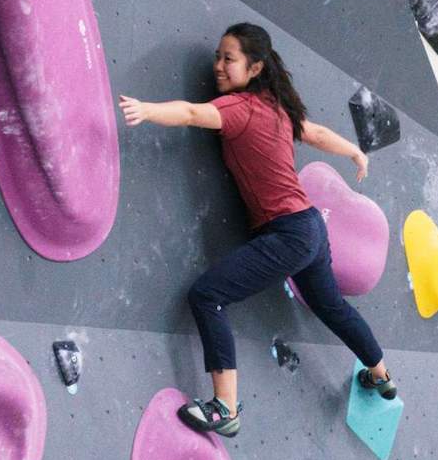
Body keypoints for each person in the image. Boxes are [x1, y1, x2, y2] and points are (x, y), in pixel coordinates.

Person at [119, 22, 395, 438]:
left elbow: (194, 113)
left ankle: (224, 407)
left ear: (255, 68)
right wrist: (353, 150)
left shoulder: (241, 108)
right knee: (332, 307)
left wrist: (147, 109)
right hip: (310, 228)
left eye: (229, 59)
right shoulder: (275, 107)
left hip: (289, 233)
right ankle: (381, 374)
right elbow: (315, 133)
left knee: (208, 295)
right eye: (217, 56)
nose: (218, 66)